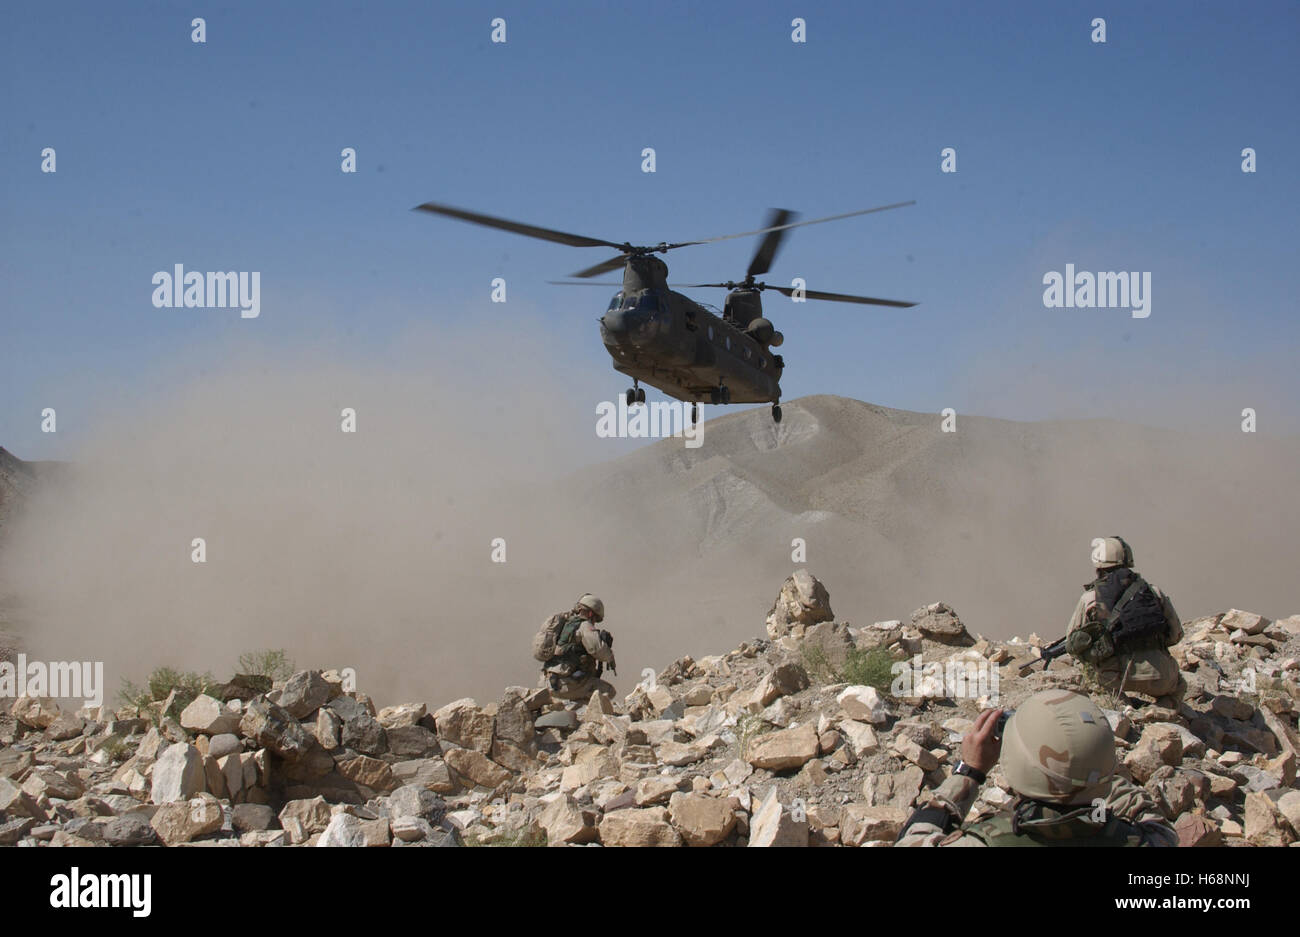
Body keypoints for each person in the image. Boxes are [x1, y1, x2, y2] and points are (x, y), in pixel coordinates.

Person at [896, 690, 1178, 846]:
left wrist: (969, 772)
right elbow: (1153, 820)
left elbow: (913, 841)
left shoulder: (986, 844)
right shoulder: (1145, 841)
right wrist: (1090, 769)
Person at [1066, 536, 1185, 707]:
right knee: (1180, 684)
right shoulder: (1153, 592)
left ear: (1098, 565)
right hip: (1160, 675)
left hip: (1116, 677)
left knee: (1094, 683)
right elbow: (1175, 636)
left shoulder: (1090, 598)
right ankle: (1163, 708)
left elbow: (1073, 643)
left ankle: (1123, 707)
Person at [539, 593, 616, 702]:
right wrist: (610, 657)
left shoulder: (565, 623)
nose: (594, 623)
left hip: (546, 681)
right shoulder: (584, 626)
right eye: (595, 619)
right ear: (590, 614)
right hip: (564, 685)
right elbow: (598, 650)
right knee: (608, 691)